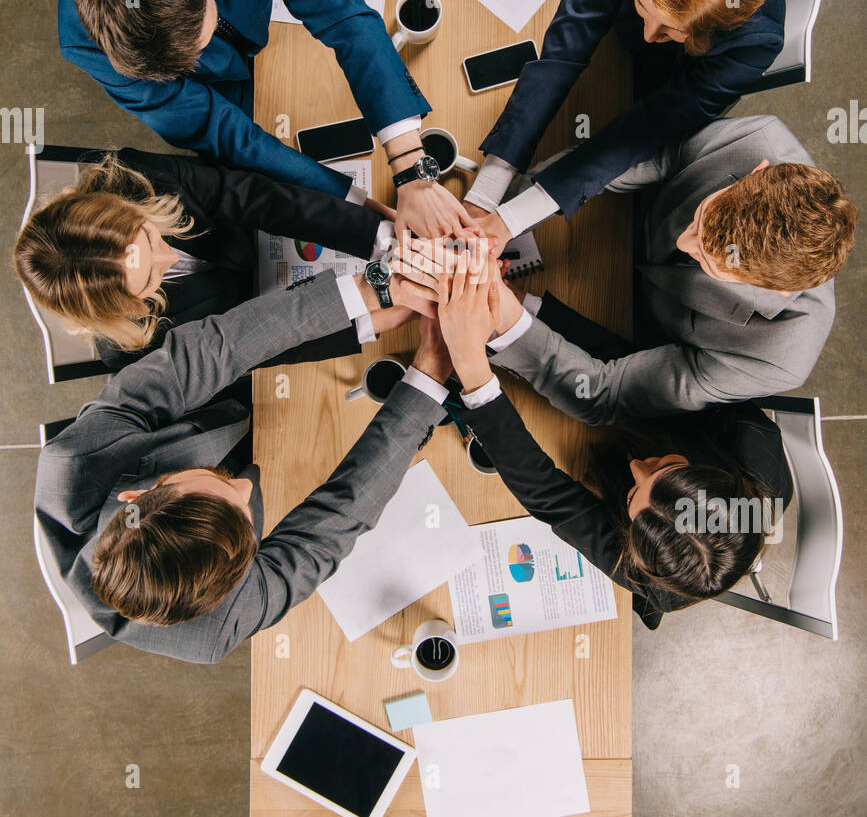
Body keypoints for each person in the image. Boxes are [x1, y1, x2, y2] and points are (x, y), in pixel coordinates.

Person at [34, 276, 457, 664]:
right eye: (243, 512)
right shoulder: (218, 627)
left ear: (136, 496)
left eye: (220, 489)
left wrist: (373, 290)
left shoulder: (77, 462)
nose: (243, 486)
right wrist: (429, 375)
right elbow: (334, 523)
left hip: (209, 406)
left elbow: (213, 351)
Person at [58, 0, 476, 240]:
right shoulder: (89, 45)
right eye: (188, 61)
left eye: (198, 42)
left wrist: (411, 171)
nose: (200, 57)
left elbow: (339, 7)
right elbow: (223, 132)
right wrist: (354, 205)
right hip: (209, 97)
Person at [432, 243, 793, 629]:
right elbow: (637, 379)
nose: (636, 465)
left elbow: (550, 496)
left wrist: (470, 364)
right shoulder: (749, 437)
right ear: (710, 472)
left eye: (633, 497)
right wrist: (522, 311)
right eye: (660, 469)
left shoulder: (650, 577)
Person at [405, 116, 857, 419]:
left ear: (774, 292)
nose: (684, 241)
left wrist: (505, 319)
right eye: (703, 218)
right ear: (758, 170)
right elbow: (639, 155)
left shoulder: (778, 358)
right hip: (608, 218)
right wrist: (514, 215)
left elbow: (607, 393)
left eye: (710, 261)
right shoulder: (759, 138)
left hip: (623, 327)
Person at [462, 0, 786, 251]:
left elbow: (647, 127)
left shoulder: (757, 41)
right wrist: (488, 187)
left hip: (672, 93)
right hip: (614, 63)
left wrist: (513, 218)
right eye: (644, 6)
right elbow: (564, 51)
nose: (650, 35)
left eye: (672, 30)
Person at [14, 148, 413, 372]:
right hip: (277, 312)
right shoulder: (128, 353)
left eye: (150, 236)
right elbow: (255, 349)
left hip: (270, 231)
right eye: (151, 279)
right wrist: (367, 323)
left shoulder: (134, 178)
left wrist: (377, 235)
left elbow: (253, 196)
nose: (168, 257)